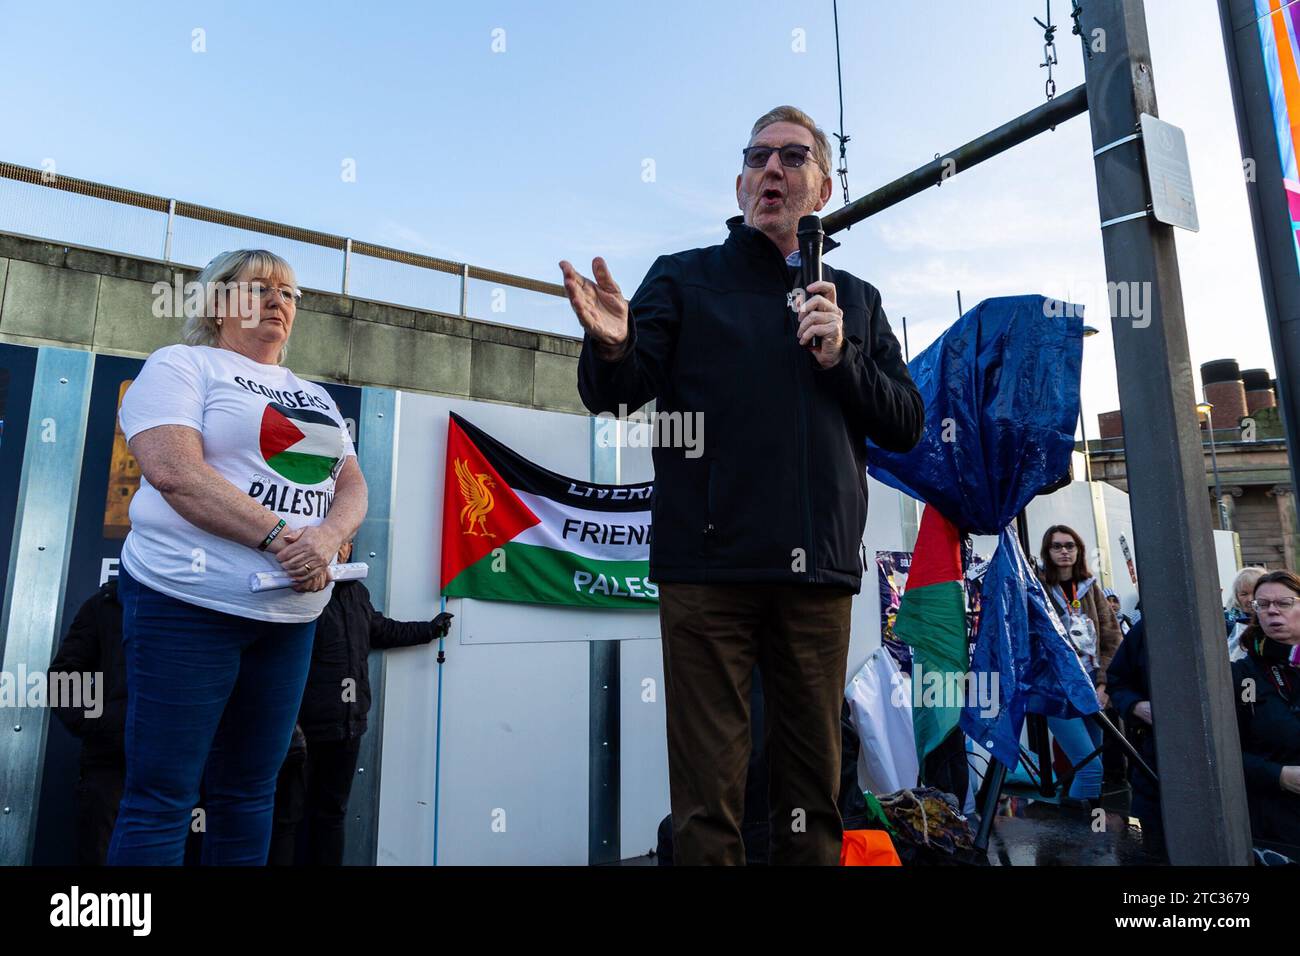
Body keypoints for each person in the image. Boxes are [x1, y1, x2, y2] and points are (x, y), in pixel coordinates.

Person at [563, 106, 924, 864]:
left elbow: (906, 423)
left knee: (813, 793)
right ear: (739, 182)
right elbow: (620, 395)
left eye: (794, 158)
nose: (773, 170)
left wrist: (842, 360)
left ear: (821, 189)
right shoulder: (684, 277)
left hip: (816, 570)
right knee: (707, 800)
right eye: (759, 156)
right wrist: (614, 346)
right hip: (707, 569)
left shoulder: (855, 299)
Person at [107, 249, 368, 866]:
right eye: (261, 288)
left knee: (252, 793)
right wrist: (285, 541)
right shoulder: (182, 365)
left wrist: (327, 539)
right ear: (218, 301)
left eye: (290, 293)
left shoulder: (315, 397)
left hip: (291, 620)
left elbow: (352, 486)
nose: (280, 301)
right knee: (161, 797)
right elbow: (175, 472)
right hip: (186, 606)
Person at [285, 538, 451, 865]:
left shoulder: (356, 593)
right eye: (335, 543)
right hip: (302, 733)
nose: (341, 549)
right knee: (287, 817)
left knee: (332, 813)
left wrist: (429, 630)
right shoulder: (299, 592)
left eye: (345, 544)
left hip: (348, 728)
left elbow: (381, 630)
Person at [1038, 524, 1123, 803]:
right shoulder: (1038, 589)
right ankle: (1078, 838)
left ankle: (1089, 835)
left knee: (1090, 770)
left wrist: (1103, 683)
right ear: (1047, 552)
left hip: (1091, 686)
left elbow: (1112, 639)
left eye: (1070, 546)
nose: (1064, 551)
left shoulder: (1090, 588)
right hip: (1057, 690)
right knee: (1090, 769)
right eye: (1057, 546)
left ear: (1079, 550)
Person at [48, 579, 126, 865]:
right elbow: (65, 678)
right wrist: (107, 723)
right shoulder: (105, 605)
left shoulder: (200, 607)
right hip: (112, 764)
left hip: (187, 764)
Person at [1231, 569, 1300, 854]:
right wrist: (1278, 775)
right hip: (1275, 824)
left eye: (1284, 603)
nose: (1273, 611)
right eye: (1263, 605)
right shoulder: (1240, 674)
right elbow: (1224, 751)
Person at [1105, 616, 1163, 858]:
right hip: (1154, 759)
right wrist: (1136, 706)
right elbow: (1117, 681)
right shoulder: (1145, 630)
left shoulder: (1227, 630)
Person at [1226, 567, 1266, 662]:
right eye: (1244, 594)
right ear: (1236, 596)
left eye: (1255, 593)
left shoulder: (1272, 620)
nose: (1250, 599)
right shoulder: (1229, 620)